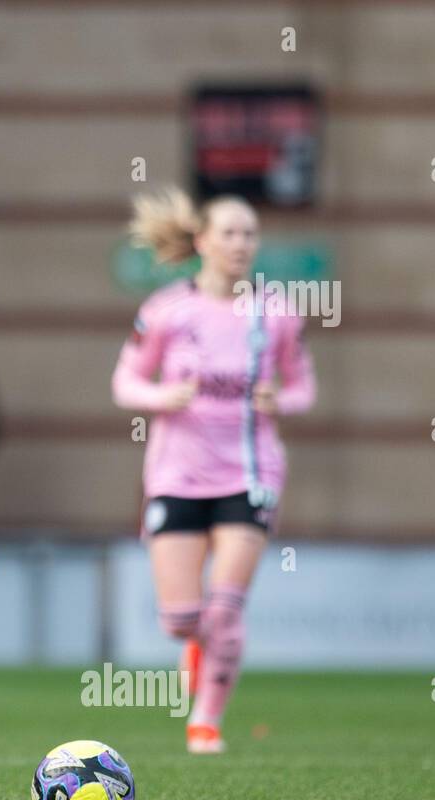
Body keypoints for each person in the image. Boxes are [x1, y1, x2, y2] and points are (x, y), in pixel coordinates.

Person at [112, 186, 316, 754]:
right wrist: (162, 396)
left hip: (251, 474)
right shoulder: (165, 311)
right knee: (181, 618)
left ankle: (206, 720)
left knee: (225, 609)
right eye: (229, 232)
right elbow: (124, 383)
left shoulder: (275, 313)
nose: (241, 243)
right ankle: (191, 643)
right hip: (178, 474)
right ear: (202, 241)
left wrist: (283, 400)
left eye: (249, 233)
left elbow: (303, 387)